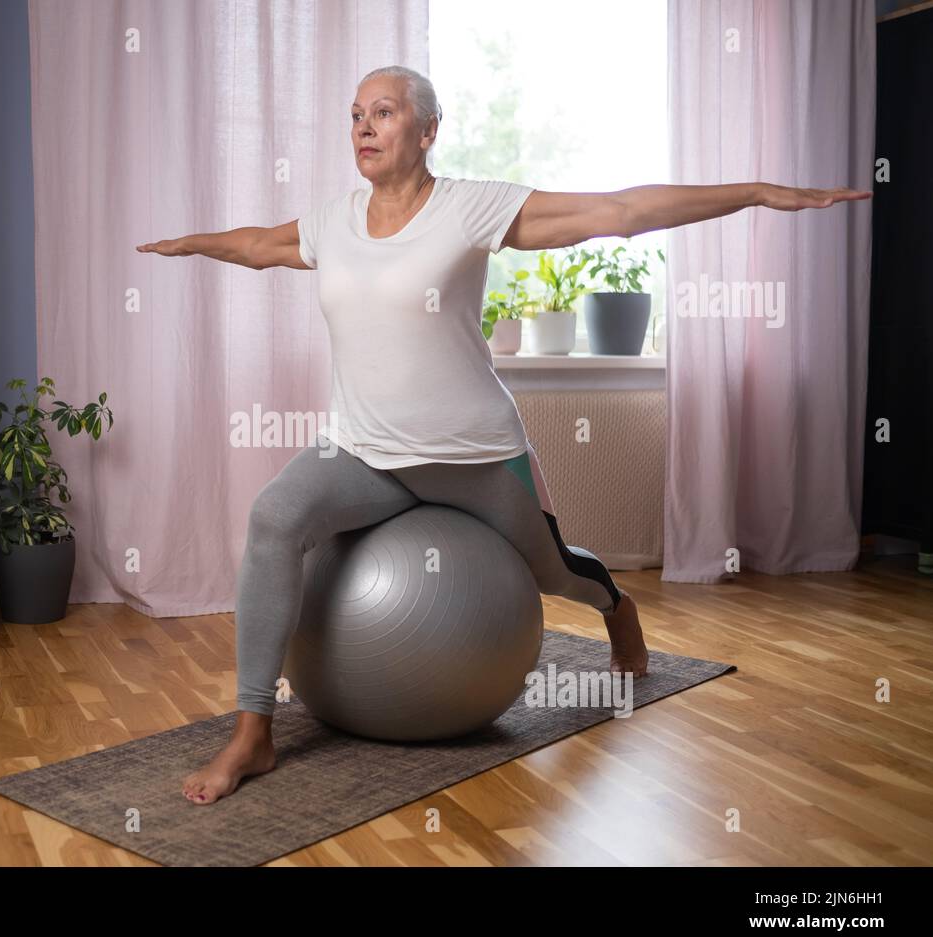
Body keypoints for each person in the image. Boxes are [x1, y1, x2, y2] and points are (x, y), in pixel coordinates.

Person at [137, 65, 870, 805]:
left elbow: (618, 211)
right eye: (356, 113)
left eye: (383, 113)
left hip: (478, 457)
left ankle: (620, 612)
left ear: (427, 131)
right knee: (273, 517)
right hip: (365, 453)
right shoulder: (333, 223)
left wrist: (753, 193)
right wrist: (191, 242)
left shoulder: (470, 208)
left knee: (555, 573)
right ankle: (253, 733)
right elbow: (261, 244)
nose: (363, 126)